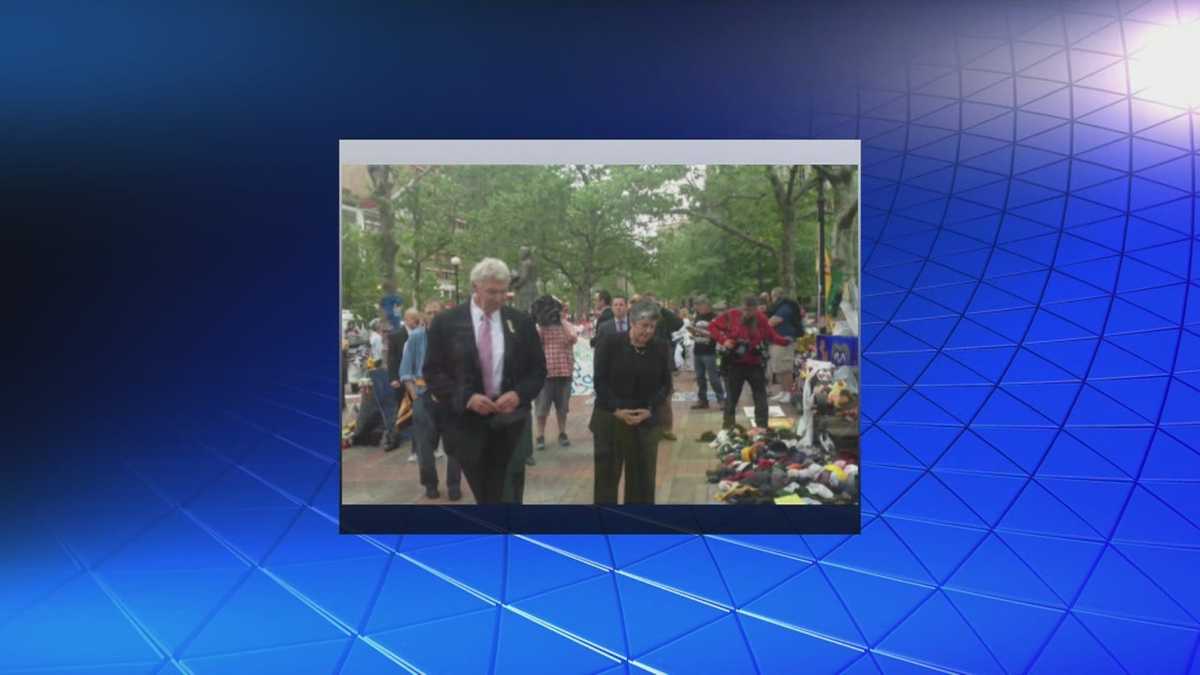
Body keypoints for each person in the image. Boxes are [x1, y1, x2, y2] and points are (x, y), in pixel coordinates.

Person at [423, 258, 547, 504]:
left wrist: (519, 395)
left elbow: (538, 370)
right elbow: (433, 372)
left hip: (511, 422)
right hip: (468, 426)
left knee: (510, 491)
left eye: (504, 292)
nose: (499, 298)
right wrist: (467, 398)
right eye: (492, 292)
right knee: (487, 495)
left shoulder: (520, 322)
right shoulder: (446, 323)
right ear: (474, 287)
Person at [590, 300, 672, 504]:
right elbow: (599, 381)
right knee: (606, 481)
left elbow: (665, 385)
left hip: (645, 422)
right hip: (610, 419)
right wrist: (616, 409)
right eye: (644, 326)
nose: (648, 331)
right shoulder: (610, 343)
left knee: (642, 482)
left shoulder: (660, 347)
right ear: (632, 323)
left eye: (652, 326)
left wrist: (650, 409)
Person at [399, 300, 463, 500]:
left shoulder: (454, 337)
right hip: (423, 395)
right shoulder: (415, 339)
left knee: (454, 445)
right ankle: (430, 484)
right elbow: (405, 373)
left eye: (436, 312)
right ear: (423, 316)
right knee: (424, 447)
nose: (433, 315)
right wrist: (417, 396)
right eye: (429, 312)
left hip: (450, 397)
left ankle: (454, 486)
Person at [709, 295, 792, 430]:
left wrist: (786, 341)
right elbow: (712, 326)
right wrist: (723, 340)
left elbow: (771, 335)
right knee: (732, 398)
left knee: (760, 397)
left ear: (756, 309)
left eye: (751, 310)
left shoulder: (760, 318)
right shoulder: (732, 315)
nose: (748, 313)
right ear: (741, 307)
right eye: (745, 310)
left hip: (755, 363)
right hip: (735, 363)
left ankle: (762, 428)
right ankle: (728, 428)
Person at [533, 296, 578, 451]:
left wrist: (561, 321)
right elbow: (535, 342)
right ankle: (540, 435)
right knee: (541, 408)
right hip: (545, 374)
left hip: (564, 371)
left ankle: (562, 433)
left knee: (563, 407)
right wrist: (541, 321)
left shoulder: (566, 325)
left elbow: (573, 338)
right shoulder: (541, 327)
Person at [640, 292, 683, 441]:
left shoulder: (663, 317)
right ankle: (651, 428)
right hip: (644, 360)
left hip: (663, 362)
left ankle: (666, 429)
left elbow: (679, 323)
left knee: (665, 397)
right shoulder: (639, 318)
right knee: (646, 396)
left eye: (654, 303)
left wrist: (663, 309)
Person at [384, 308, 421, 453]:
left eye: (418, 319)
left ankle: (419, 440)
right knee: (400, 409)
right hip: (401, 378)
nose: (417, 322)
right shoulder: (395, 336)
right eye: (414, 319)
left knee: (419, 409)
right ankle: (393, 439)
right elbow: (392, 359)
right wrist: (393, 378)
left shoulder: (422, 333)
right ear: (406, 319)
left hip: (418, 379)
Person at [766, 286, 804, 402]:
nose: (771, 300)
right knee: (778, 368)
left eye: (772, 297)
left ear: (776, 296)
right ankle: (783, 392)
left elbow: (772, 322)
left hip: (784, 341)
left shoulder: (785, 307)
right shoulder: (780, 307)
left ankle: (788, 393)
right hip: (777, 341)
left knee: (785, 369)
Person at [688, 296, 726, 410]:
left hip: (709, 351)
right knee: (700, 377)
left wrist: (697, 331)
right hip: (697, 350)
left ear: (706, 305)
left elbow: (714, 335)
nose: (698, 308)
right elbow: (697, 333)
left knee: (713, 378)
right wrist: (693, 333)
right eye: (697, 306)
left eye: (699, 305)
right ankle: (703, 400)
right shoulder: (697, 316)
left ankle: (721, 400)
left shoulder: (714, 318)